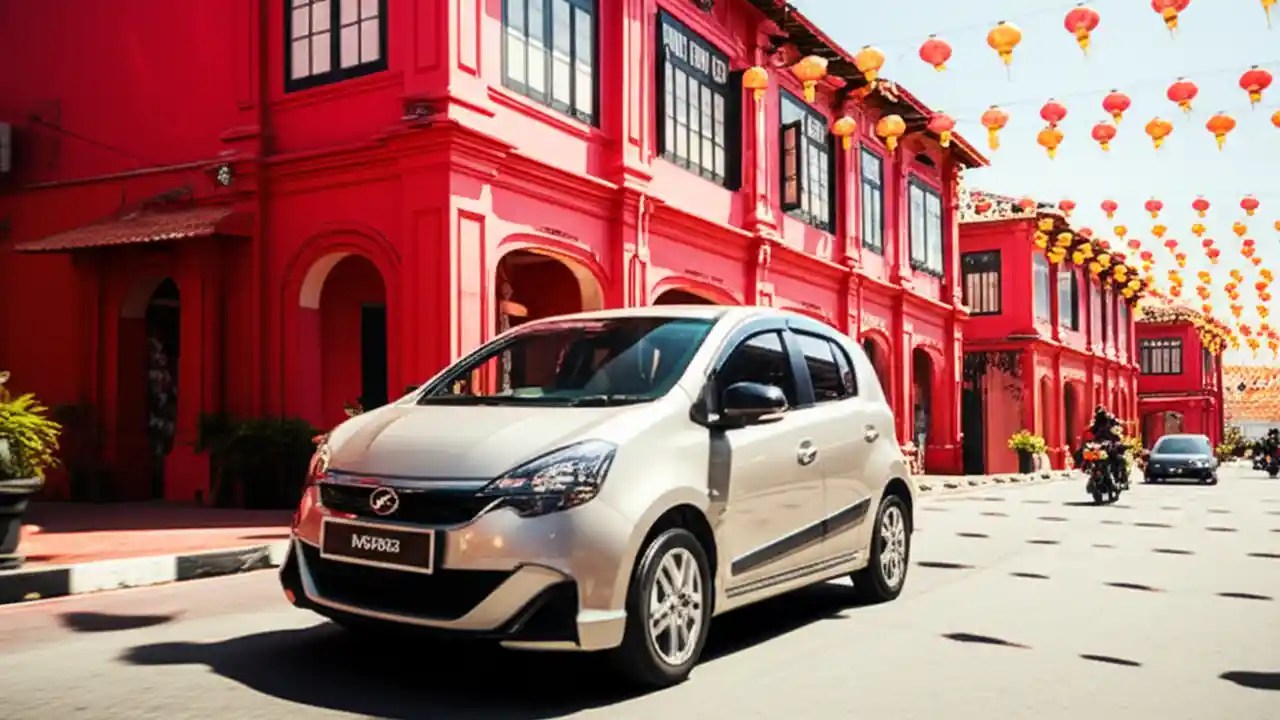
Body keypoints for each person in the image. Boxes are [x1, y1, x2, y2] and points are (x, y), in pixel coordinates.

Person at [1087, 405, 1130, 490]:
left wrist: (1119, 427)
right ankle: (1092, 475)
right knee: (1088, 454)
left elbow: (1118, 426)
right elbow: (1092, 429)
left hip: (1111, 443)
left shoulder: (1111, 419)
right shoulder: (1096, 422)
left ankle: (1122, 480)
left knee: (1120, 459)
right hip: (1099, 444)